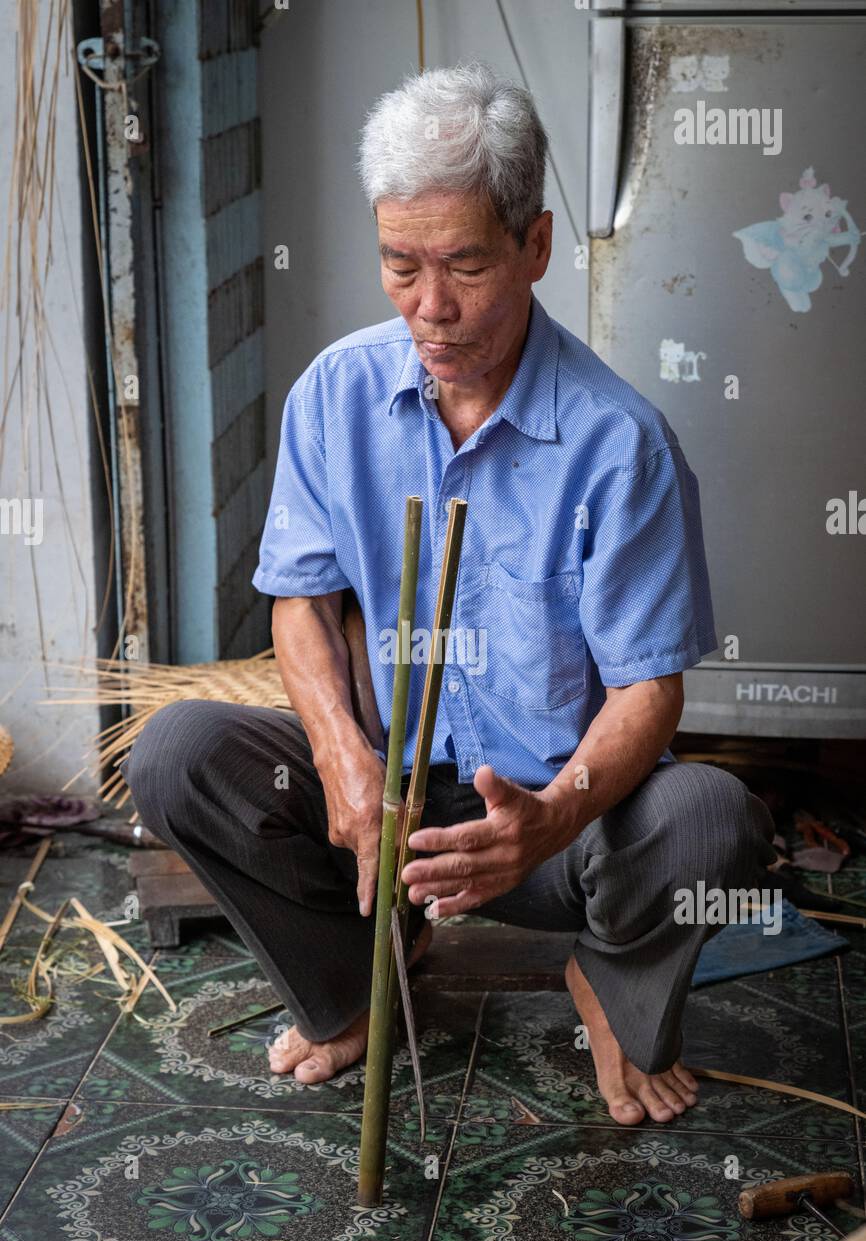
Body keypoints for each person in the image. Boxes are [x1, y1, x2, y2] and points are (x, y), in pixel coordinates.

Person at [122, 61, 777, 1126]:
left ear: (534, 245)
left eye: (466, 264)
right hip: (389, 813)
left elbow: (650, 691)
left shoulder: (621, 447)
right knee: (177, 755)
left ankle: (605, 979)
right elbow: (299, 601)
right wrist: (342, 762)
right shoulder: (335, 397)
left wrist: (547, 819)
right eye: (398, 264)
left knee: (710, 820)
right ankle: (352, 982)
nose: (430, 307)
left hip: (558, 827)